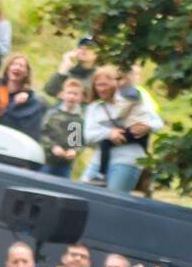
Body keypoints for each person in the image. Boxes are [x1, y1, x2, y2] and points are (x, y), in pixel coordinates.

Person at [82, 65, 163, 194]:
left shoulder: (134, 99)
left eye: (105, 85)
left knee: (113, 202)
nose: (101, 89)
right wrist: (109, 133)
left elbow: (158, 122)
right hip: (98, 162)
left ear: (116, 83)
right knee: (83, 195)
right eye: (98, 85)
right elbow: (88, 136)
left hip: (127, 160)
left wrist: (148, 127)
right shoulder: (94, 108)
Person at [0, 54, 45, 142]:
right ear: (7, 69)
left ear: (27, 73)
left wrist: (16, 105)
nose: (17, 67)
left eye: (21, 66)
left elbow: (31, 133)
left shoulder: (31, 103)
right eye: (14, 64)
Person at [41, 77, 85, 177]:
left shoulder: (79, 119)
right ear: (62, 94)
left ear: (80, 98)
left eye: (75, 94)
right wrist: (52, 147)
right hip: (48, 160)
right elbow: (43, 133)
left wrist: (74, 151)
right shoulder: (52, 114)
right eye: (69, 93)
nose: (72, 97)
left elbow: (79, 141)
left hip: (66, 164)